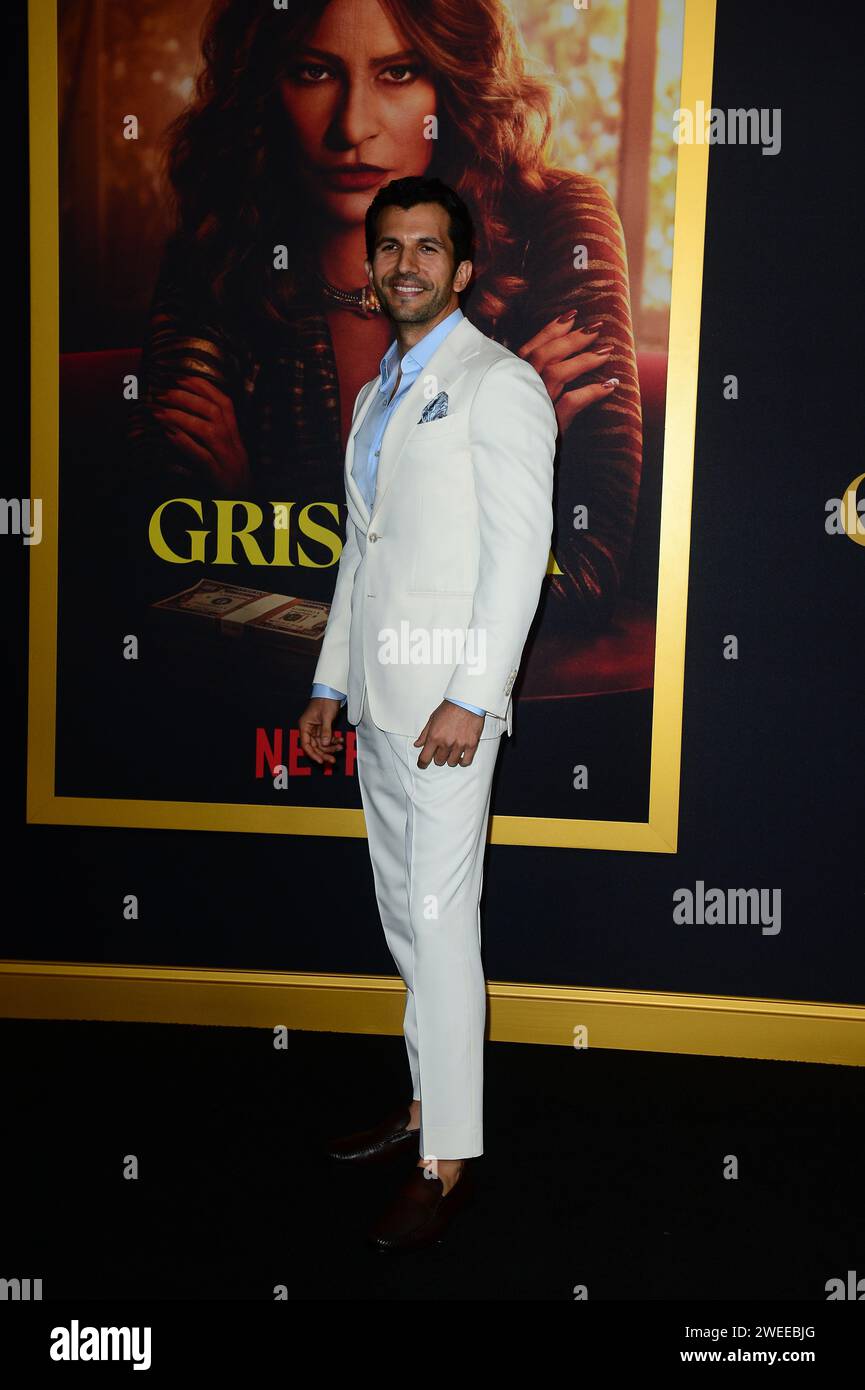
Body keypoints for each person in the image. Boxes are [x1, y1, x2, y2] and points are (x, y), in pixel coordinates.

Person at [127, 0, 641, 635]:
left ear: (454, 83)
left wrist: (254, 513)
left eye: (398, 73)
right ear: (264, 85)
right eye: (313, 72)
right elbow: (163, 562)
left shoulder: (560, 223)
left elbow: (582, 581)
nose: (353, 126)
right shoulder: (218, 245)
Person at [297, 175, 557, 1252]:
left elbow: (517, 561)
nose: (405, 263)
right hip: (381, 703)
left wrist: (471, 696)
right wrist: (329, 683)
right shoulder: (374, 394)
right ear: (371, 263)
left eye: (426, 247)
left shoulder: (498, 384)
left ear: (461, 267)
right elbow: (366, 550)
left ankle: (447, 1158)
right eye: (388, 246)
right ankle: (420, 1109)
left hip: (449, 709)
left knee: (444, 926)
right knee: (408, 919)